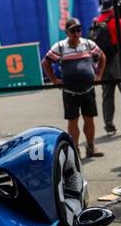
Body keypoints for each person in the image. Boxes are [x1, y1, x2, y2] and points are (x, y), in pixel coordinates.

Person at [43, 17, 107, 159]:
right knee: (73, 121)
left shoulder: (88, 44)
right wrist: (54, 80)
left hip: (88, 89)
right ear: (66, 32)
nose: (77, 33)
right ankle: (75, 150)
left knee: (89, 119)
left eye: (79, 29)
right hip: (70, 92)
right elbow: (45, 63)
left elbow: (102, 57)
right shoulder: (59, 47)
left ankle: (91, 147)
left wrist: (99, 76)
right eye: (73, 30)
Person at [91, 0, 121, 134]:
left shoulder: (97, 21)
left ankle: (109, 124)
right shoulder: (116, 21)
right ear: (113, 8)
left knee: (107, 94)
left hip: (102, 61)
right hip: (116, 59)